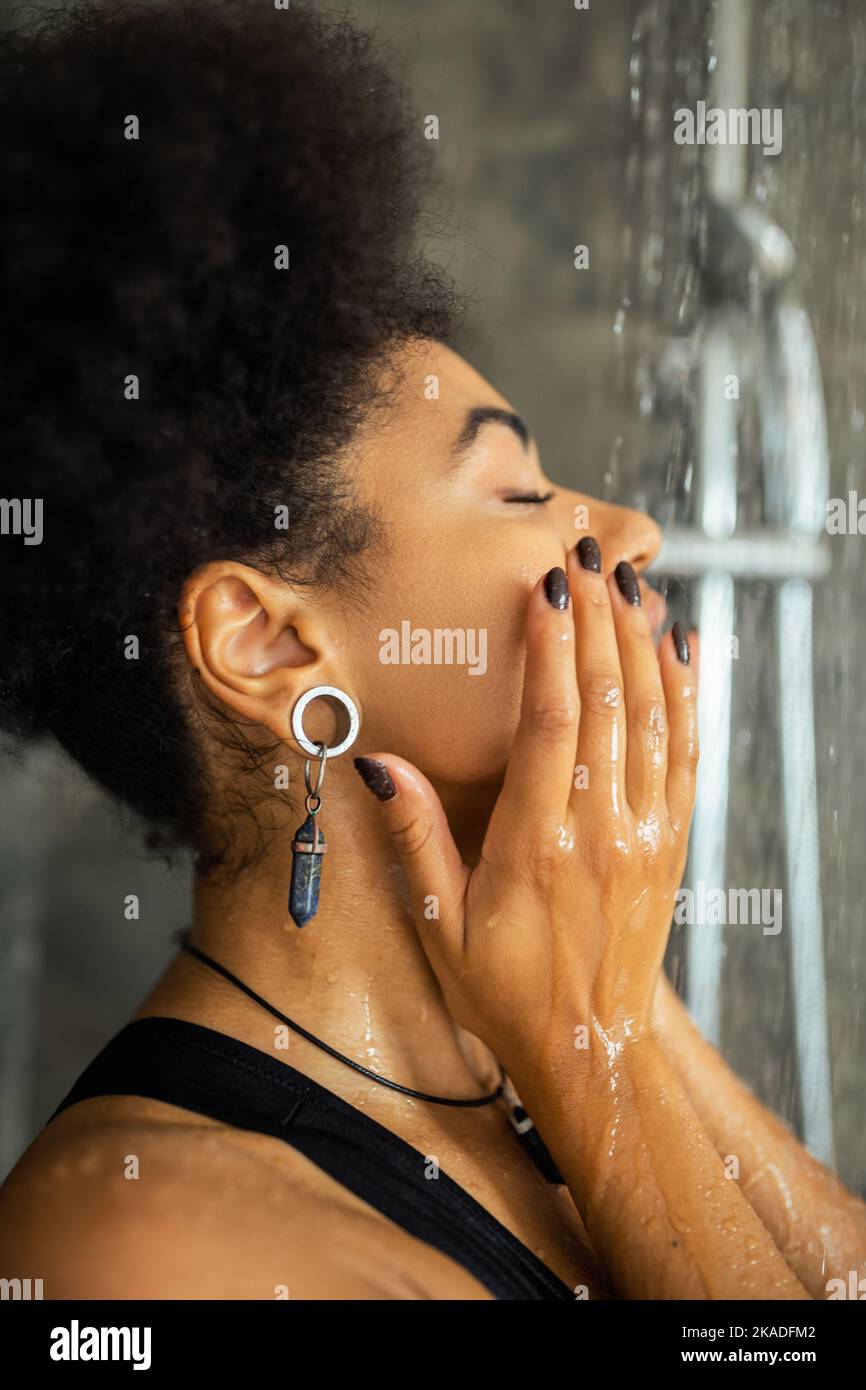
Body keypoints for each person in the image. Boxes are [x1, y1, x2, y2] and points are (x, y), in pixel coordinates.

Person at [0, 0, 864, 1300]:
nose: (630, 530)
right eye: (520, 495)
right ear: (269, 645)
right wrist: (593, 1035)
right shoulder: (146, 1246)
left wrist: (609, 1005)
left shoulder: (529, 1075)